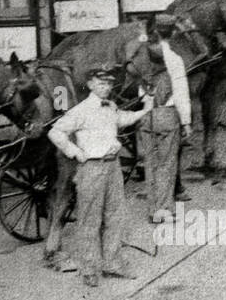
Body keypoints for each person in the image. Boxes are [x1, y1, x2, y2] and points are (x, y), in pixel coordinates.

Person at [47, 66, 152, 287]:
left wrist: (145, 108)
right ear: (91, 84)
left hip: (113, 167)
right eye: (101, 83)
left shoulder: (111, 106)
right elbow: (55, 132)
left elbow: (123, 119)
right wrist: (75, 152)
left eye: (109, 84)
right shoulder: (81, 110)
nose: (106, 88)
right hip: (92, 168)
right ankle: (89, 268)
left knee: (115, 216)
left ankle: (112, 263)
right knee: (89, 220)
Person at [141, 13, 192, 224]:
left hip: (146, 115)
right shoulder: (175, 59)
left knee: (150, 162)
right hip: (167, 114)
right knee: (167, 163)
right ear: (172, 33)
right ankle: (165, 209)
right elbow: (181, 93)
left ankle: (153, 209)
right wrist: (186, 122)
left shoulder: (144, 56)